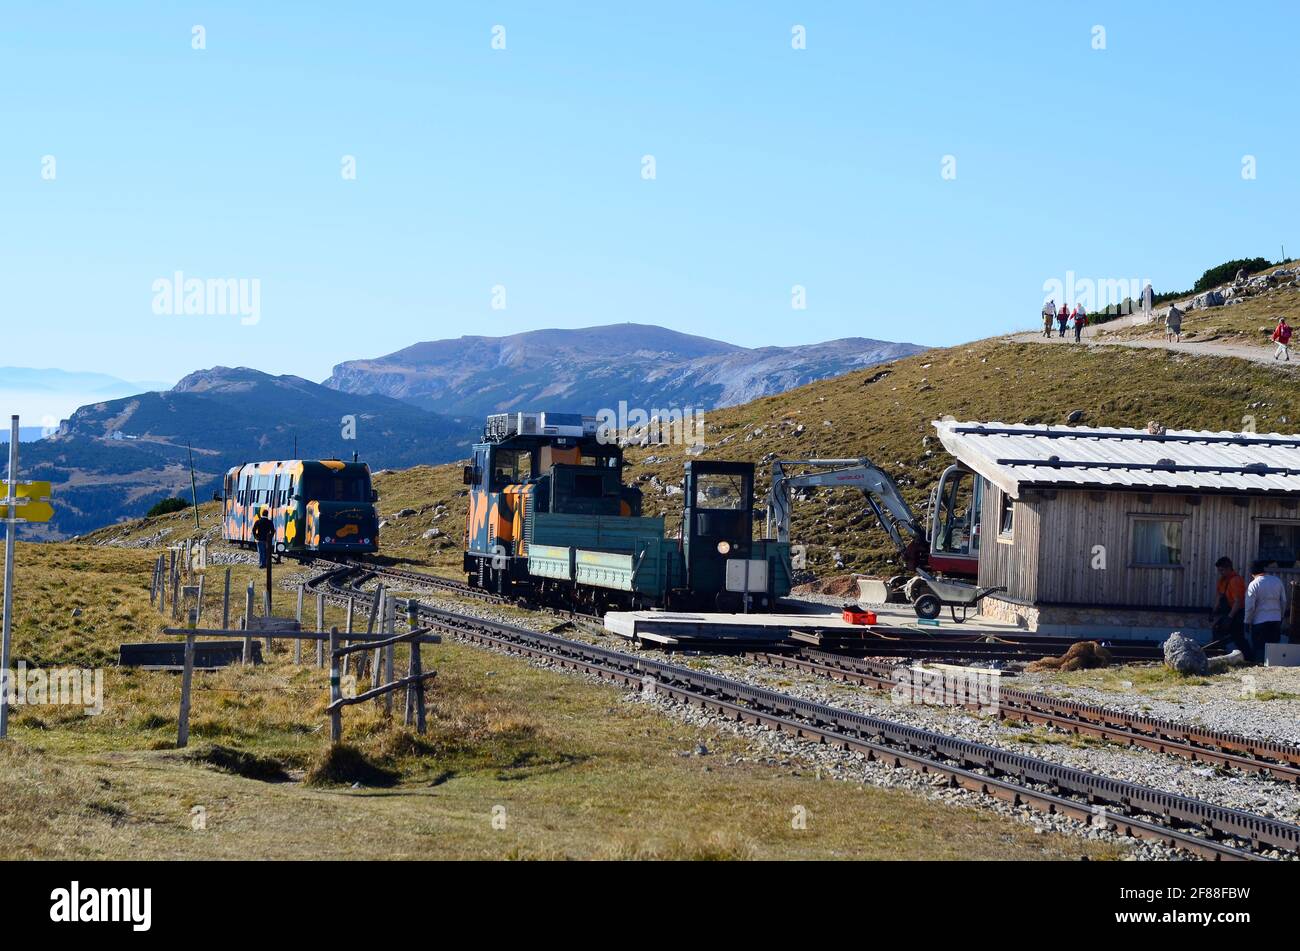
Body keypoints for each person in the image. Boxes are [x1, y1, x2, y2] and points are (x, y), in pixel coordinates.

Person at [1244, 560, 1287, 662]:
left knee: (1259, 648)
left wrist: (1247, 621)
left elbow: (1250, 607)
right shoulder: (1277, 581)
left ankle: (1260, 666)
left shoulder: (1254, 584)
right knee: (1273, 649)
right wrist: (1281, 616)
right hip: (1276, 619)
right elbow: (1284, 601)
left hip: (1259, 621)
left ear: (1252, 573)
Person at [1211, 556, 1250, 658]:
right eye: (1219, 570)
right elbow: (1219, 596)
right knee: (1217, 632)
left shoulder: (1235, 580)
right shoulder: (1222, 580)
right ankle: (1219, 655)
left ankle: (1248, 658)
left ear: (1229, 568)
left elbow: (1238, 601)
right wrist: (1214, 611)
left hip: (1236, 613)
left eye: (1222, 570)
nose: (1220, 572)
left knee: (1238, 637)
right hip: (1226, 612)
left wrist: (1230, 617)